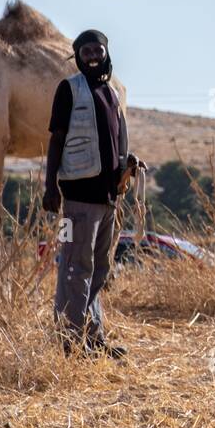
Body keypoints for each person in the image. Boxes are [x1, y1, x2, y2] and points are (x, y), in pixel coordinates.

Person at [44, 29, 139, 359]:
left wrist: (128, 165)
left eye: (97, 50)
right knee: (74, 265)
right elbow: (56, 140)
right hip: (76, 200)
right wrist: (49, 187)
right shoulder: (68, 90)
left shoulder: (111, 93)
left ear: (106, 52)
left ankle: (93, 337)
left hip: (108, 199)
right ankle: (70, 342)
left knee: (99, 268)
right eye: (85, 52)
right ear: (77, 56)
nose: (92, 56)